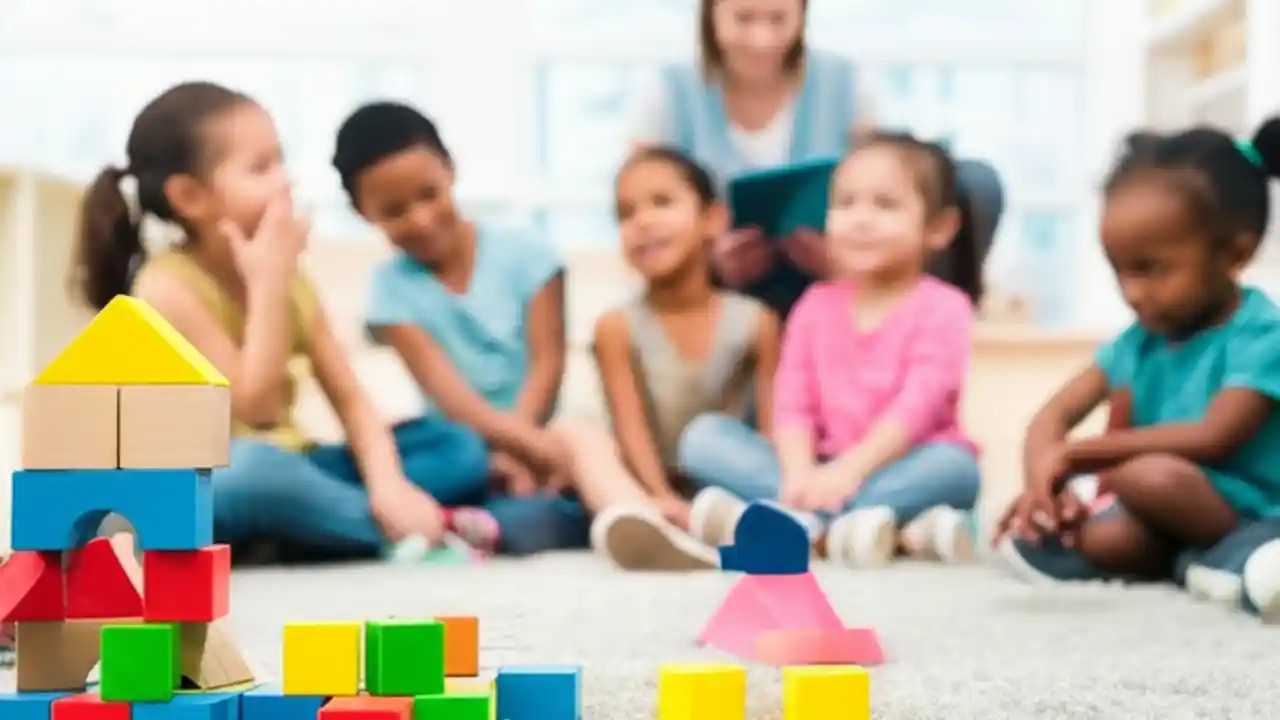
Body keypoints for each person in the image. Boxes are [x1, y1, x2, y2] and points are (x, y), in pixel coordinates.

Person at [71, 81, 586, 561]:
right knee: (255, 472)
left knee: (455, 447)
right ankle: (432, 528)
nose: (285, 180)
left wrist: (389, 484)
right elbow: (259, 407)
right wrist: (268, 284)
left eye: (282, 161)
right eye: (261, 167)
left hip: (303, 466)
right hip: (215, 475)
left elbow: (352, 401)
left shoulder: (293, 278)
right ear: (190, 197)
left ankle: (312, 529)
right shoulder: (167, 287)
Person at [336, 102, 717, 571]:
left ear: (450, 168)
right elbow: (456, 402)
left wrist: (531, 450)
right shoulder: (389, 292)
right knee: (455, 460)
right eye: (394, 211)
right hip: (470, 449)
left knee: (581, 439)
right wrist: (512, 455)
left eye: (429, 194)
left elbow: (547, 364)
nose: (419, 219)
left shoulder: (528, 253)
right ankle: (517, 515)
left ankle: (635, 518)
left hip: (549, 434)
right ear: (361, 212)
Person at [993, 119, 1280, 604]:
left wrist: (1075, 456)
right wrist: (1042, 483)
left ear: (1237, 251)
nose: (1130, 292)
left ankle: (1245, 551)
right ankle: (1197, 560)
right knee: (1109, 535)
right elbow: (1052, 416)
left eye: (1150, 269)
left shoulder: (1261, 332)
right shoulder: (1138, 341)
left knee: (1147, 474)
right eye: (1118, 269)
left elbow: (1213, 438)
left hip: (1253, 506)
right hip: (1164, 505)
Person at [679, 132, 984, 568]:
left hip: (898, 463)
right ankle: (860, 527)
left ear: (939, 228)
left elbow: (916, 409)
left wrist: (848, 472)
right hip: (819, 469)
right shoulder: (814, 305)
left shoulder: (945, 308)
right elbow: (792, 406)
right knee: (702, 438)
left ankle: (797, 523)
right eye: (845, 203)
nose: (860, 219)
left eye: (885, 205)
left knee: (956, 468)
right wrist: (800, 474)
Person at [631, 0, 1004, 320]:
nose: (762, 39)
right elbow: (637, 203)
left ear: (802, 14)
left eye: (779, 19)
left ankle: (928, 324)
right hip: (723, 287)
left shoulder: (846, 81)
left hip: (841, 269)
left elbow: (886, 177)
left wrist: (846, 254)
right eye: (743, 19)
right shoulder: (669, 92)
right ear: (711, 15)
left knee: (972, 183)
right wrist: (709, 259)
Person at [593, 146, 784, 555]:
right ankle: (687, 521)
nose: (642, 222)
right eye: (625, 213)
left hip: (727, 477)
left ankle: (764, 518)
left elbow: (772, 433)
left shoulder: (757, 321)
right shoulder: (616, 327)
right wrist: (664, 500)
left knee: (707, 439)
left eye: (661, 203)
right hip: (659, 487)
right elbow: (631, 430)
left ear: (713, 219)